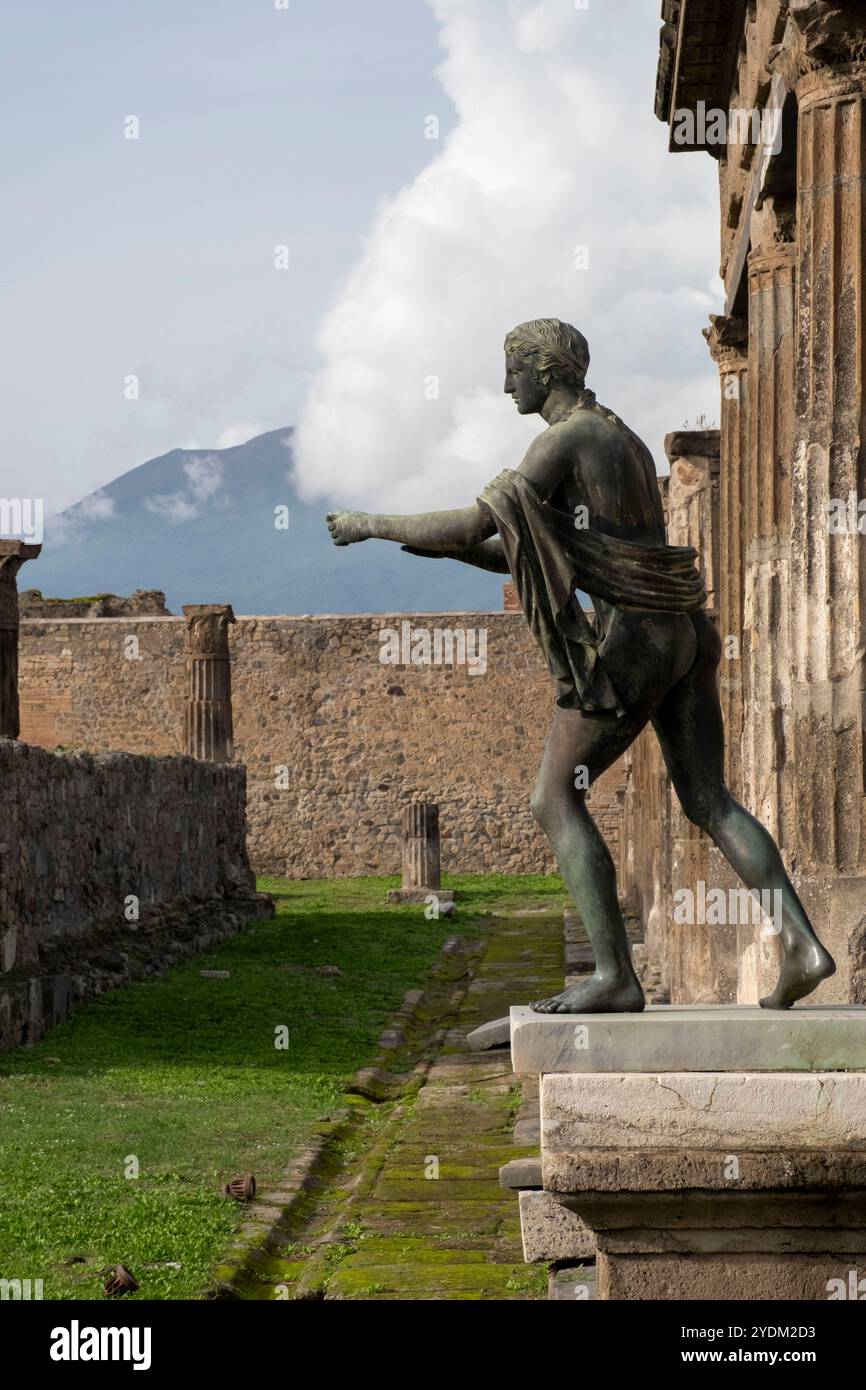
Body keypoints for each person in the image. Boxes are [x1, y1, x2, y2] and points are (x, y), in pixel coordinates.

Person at [327, 317, 834, 1012]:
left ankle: (615, 978)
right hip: (683, 630)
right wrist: (441, 547)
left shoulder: (566, 440)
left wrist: (374, 526)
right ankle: (803, 944)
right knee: (709, 801)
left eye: (514, 370)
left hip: (635, 641)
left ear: (546, 369)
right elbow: (523, 551)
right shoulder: (615, 434)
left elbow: (475, 525)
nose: (507, 385)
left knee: (554, 798)